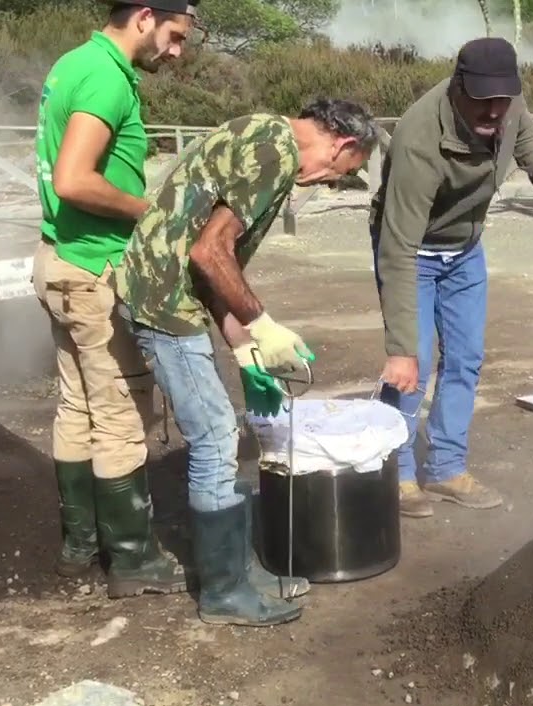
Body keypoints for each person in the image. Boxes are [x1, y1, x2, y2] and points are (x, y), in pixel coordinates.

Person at [115, 100, 379, 626]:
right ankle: (223, 591)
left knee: (222, 433)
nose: (326, 183)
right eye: (338, 174)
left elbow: (214, 262)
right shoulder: (275, 152)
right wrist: (262, 324)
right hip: (164, 306)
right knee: (215, 439)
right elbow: (208, 253)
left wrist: (242, 346)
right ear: (341, 144)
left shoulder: (264, 137)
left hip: (174, 296)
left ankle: (240, 567)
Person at [371, 37, 533, 519]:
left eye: (502, 100)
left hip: (464, 251)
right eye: (483, 101)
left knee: (465, 360)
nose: (494, 110)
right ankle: (395, 474)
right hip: (413, 251)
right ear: (459, 87)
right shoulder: (419, 138)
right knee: (411, 366)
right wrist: (399, 346)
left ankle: (445, 468)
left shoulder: (507, 101)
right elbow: (397, 246)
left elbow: (525, 137)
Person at [31, 0, 194, 598]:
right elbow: (74, 179)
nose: (176, 52)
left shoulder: (73, 64)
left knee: (79, 406)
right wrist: (148, 212)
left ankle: (81, 544)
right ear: (146, 16)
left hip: (57, 260)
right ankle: (132, 560)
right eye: (175, 36)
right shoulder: (105, 76)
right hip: (94, 268)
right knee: (124, 412)